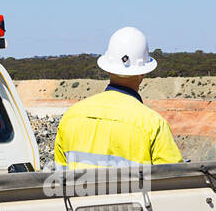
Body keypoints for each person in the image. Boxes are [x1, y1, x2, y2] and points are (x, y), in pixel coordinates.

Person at [53, 26, 183, 167]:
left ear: (108, 69)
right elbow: (174, 180)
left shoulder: (70, 117)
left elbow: (59, 176)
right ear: (143, 73)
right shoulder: (152, 124)